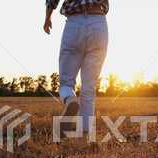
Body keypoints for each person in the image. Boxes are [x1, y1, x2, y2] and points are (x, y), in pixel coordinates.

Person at [44, 0, 109, 139]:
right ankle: (82, 140)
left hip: (74, 22)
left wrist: (47, 17)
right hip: (99, 23)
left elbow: (52, 1)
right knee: (89, 88)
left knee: (66, 82)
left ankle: (70, 100)